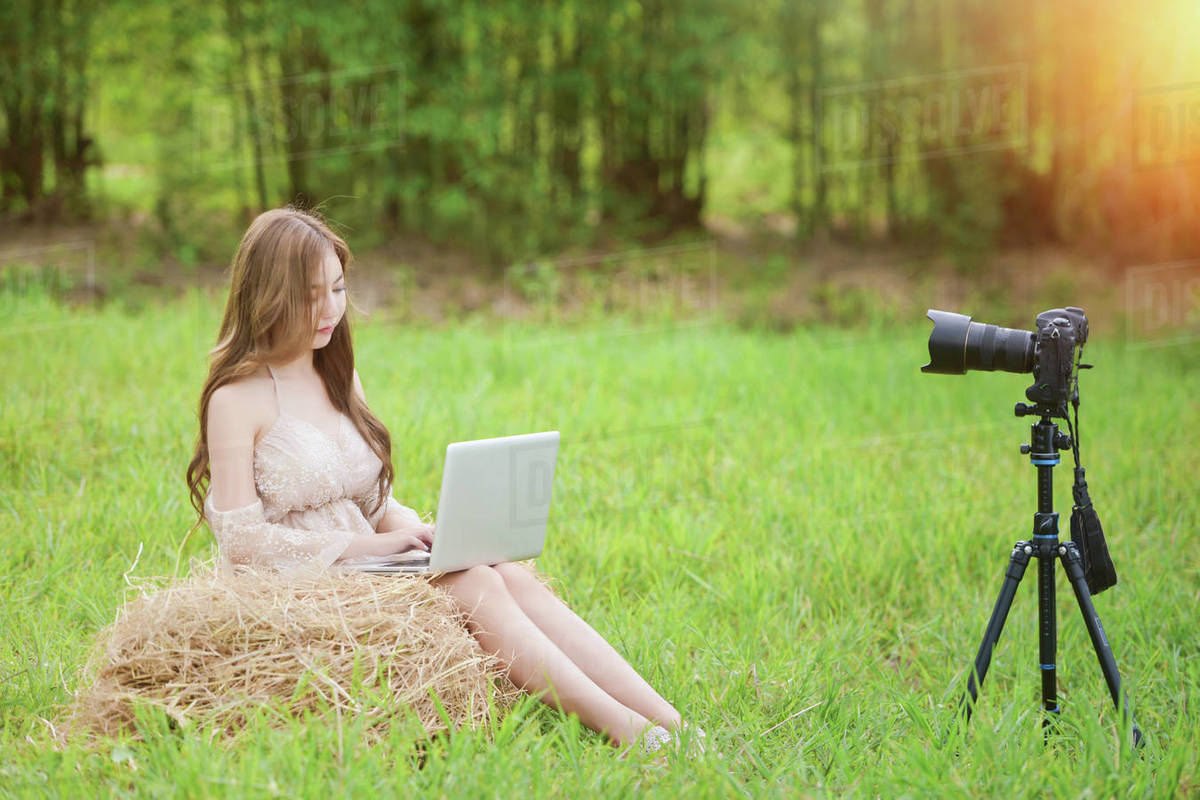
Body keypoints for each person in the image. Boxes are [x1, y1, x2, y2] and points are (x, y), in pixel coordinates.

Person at [184, 206, 705, 757]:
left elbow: (371, 499)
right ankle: (633, 735)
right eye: (313, 293)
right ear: (269, 294)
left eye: (338, 288)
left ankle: (671, 721)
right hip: (296, 579)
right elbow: (241, 543)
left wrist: (420, 531)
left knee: (503, 572)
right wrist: (369, 545)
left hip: (369, 560)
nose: (331, 308)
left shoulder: (337, 375)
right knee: (474, 586)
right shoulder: (235, 398)